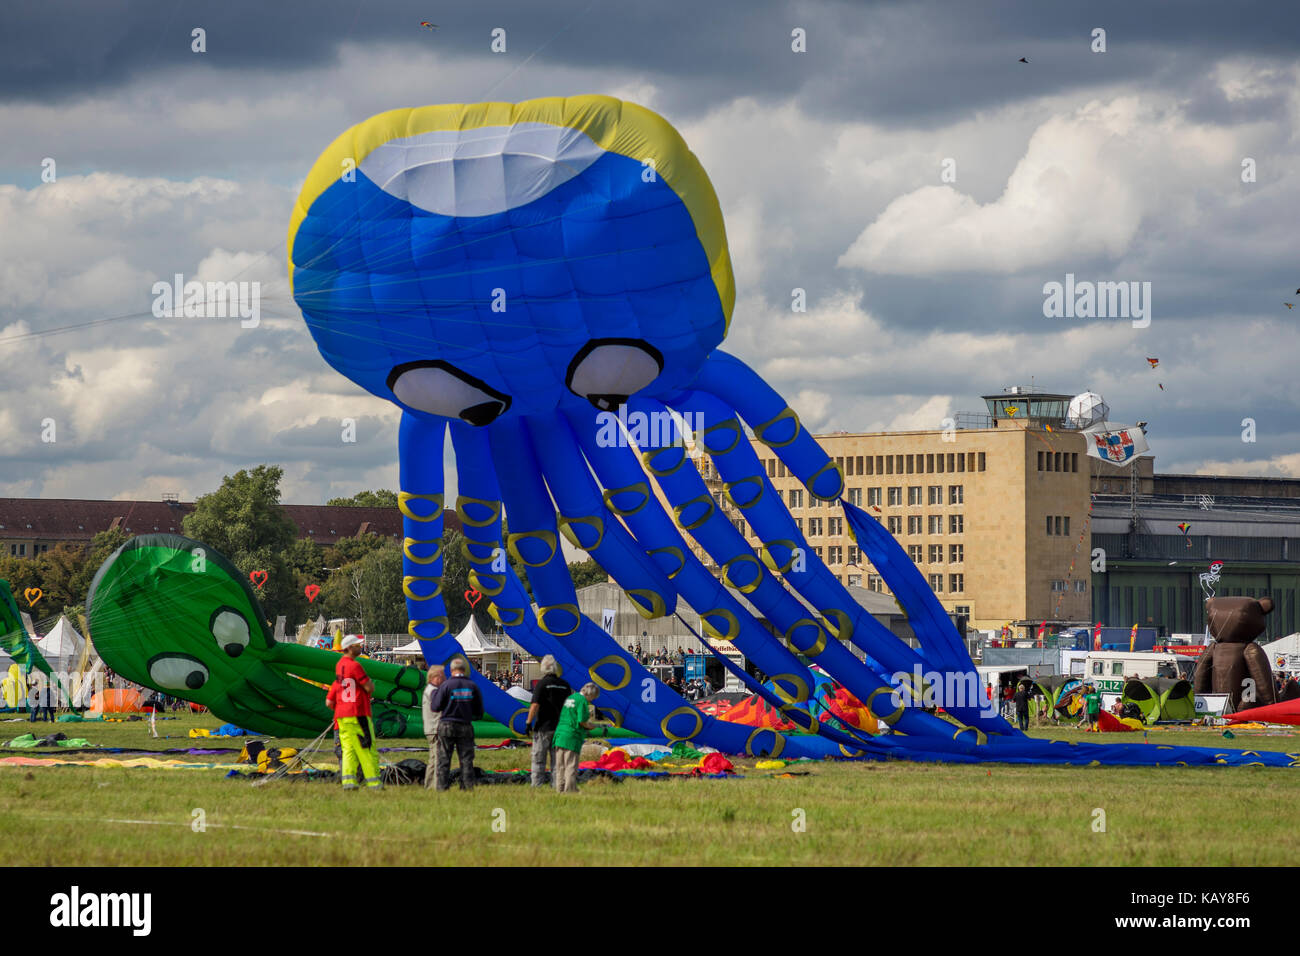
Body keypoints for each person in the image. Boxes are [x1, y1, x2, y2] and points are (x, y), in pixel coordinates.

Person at [328, 635, 382, 790]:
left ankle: (349, 782)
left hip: (342, 715)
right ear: (350, 648)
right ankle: (374, 782)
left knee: (348, 750)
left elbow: (332, 696)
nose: (360, 648)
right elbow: (368, 687)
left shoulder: (339, 666)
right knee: (366, 747)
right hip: (358, 712)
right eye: (358, 645)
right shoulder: (355, 666)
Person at [430, 657, 483, 791]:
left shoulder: (446, 686)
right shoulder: (472, 686)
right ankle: (466, 787)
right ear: (465, 670)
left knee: (444, 758)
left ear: (451, 670)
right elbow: (479, 712)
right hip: (465, 725)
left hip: (447, 725)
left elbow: (435, 707)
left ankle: (442, 788)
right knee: (466, 759)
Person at [551, 683, 609, 794]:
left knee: (560, 765)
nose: (592, 700)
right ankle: (570, 789)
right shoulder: (582, 701)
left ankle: (560, 788)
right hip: (571, 735)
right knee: (571, 764)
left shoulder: (571, 698)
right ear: (590, 694)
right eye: (593, 697)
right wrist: (593, 727)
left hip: (560, 734)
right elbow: (582, 721)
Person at [525, 655, 572, 787]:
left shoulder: (542, 684)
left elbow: (535, 705)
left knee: (538, 759)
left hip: (543, 728)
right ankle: (558, 786)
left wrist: (528, 723)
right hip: (560, 729)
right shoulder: (565, 685)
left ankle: (537, 785)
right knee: (557, 762)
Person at [421, 665, 446, 789]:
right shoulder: (434, 691)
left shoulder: (428, 689)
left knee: (432, 758)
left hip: (429, 728)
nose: (445, 679)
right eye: (443, 676)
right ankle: (436, 785)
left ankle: (429, 784)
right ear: (436, 677)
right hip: (436, 728)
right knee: (438, 758)